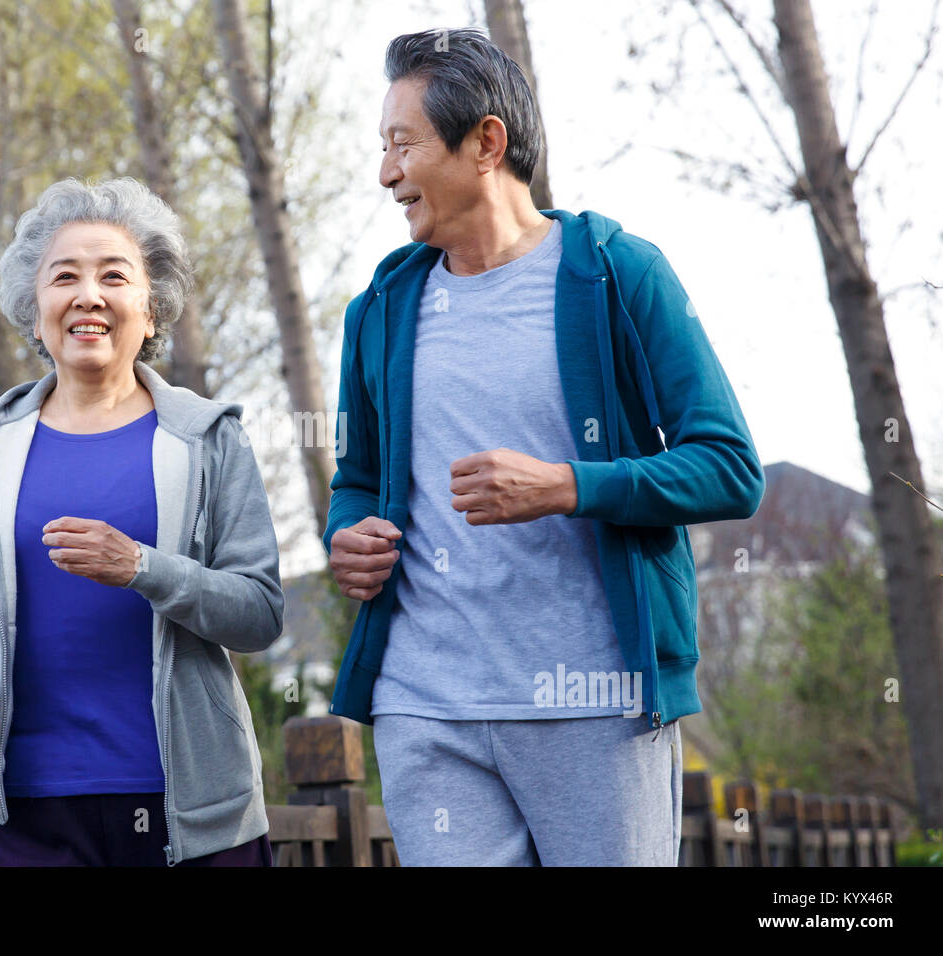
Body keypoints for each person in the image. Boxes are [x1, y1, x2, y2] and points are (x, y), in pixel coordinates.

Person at [324, 28, 764, 866]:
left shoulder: (618, 274)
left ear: (486, 142)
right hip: (426, 704)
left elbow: (729, 468)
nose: (386, 174)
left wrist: (571, 485)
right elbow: (359, 478)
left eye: (402, 145)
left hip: (597, 704)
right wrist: (346, 539)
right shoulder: (377, 310)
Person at [0, 177, 282, 866]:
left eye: (114, 275)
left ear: (152, 308)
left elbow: (258, 612)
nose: (88, 295)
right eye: (64, 277)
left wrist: (143, 567)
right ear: (35, 308)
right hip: (33, 811)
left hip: (196, 811)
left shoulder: (209, 439)